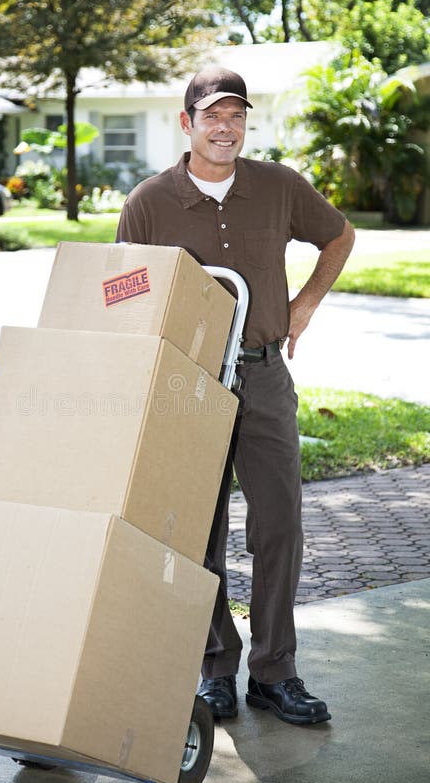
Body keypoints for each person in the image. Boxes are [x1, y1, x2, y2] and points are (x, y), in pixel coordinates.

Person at [116, 66, 355, 725]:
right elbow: (124, 292)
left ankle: (275, 674)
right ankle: (215, 667)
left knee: (280, 524)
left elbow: (340, 234)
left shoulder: (277, 187)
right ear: (186, 123)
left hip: (264, 376)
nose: (226, 128)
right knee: (200, 530)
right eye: (212, 116)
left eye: (237, 116)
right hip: (188, 381)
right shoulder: (149, 202)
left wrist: (304, 304)